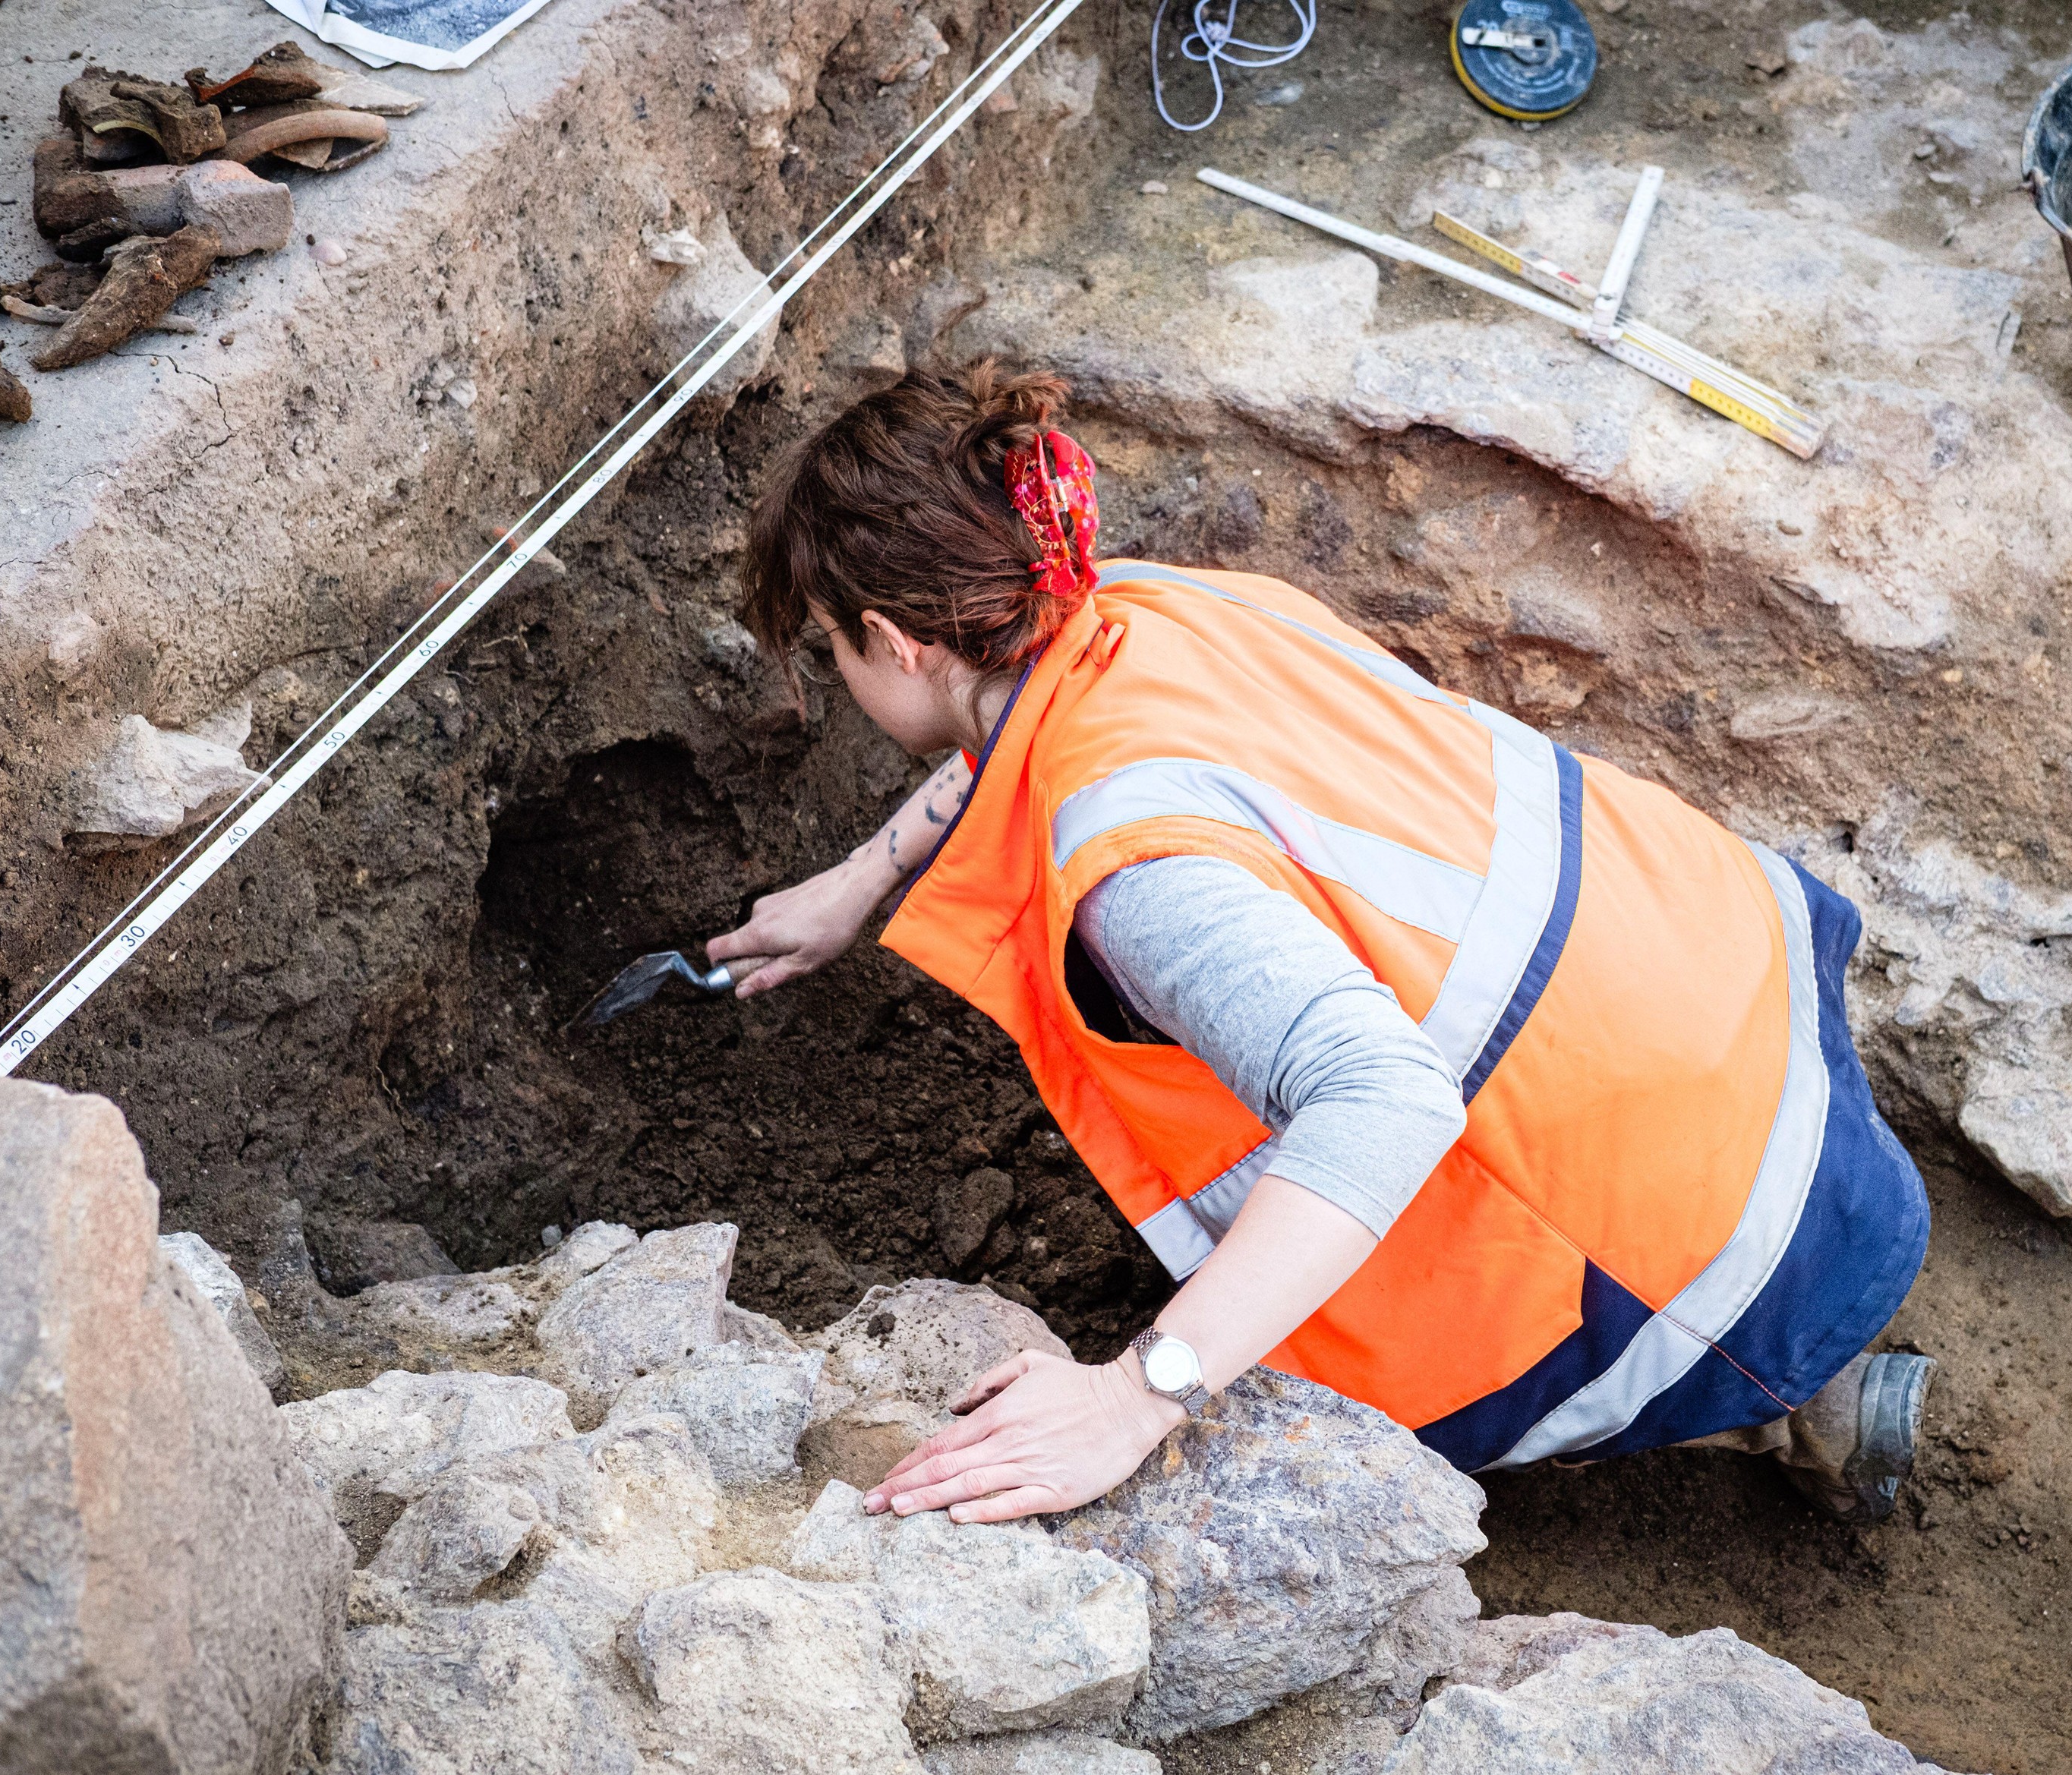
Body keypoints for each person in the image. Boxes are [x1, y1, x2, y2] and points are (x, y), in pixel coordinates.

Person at [708, 361, 1933, 1528]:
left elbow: (1383, 1101)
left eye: (834, 645)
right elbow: (1002, 735)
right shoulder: (1145, 604)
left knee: (1315, 1275)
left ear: (901, 638)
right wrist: (865, 877)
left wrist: (1132, 1396)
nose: (843, 669)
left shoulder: (1134, 870)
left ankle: (1791, 1403)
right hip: (1739, 1018)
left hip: (1674, 1238)